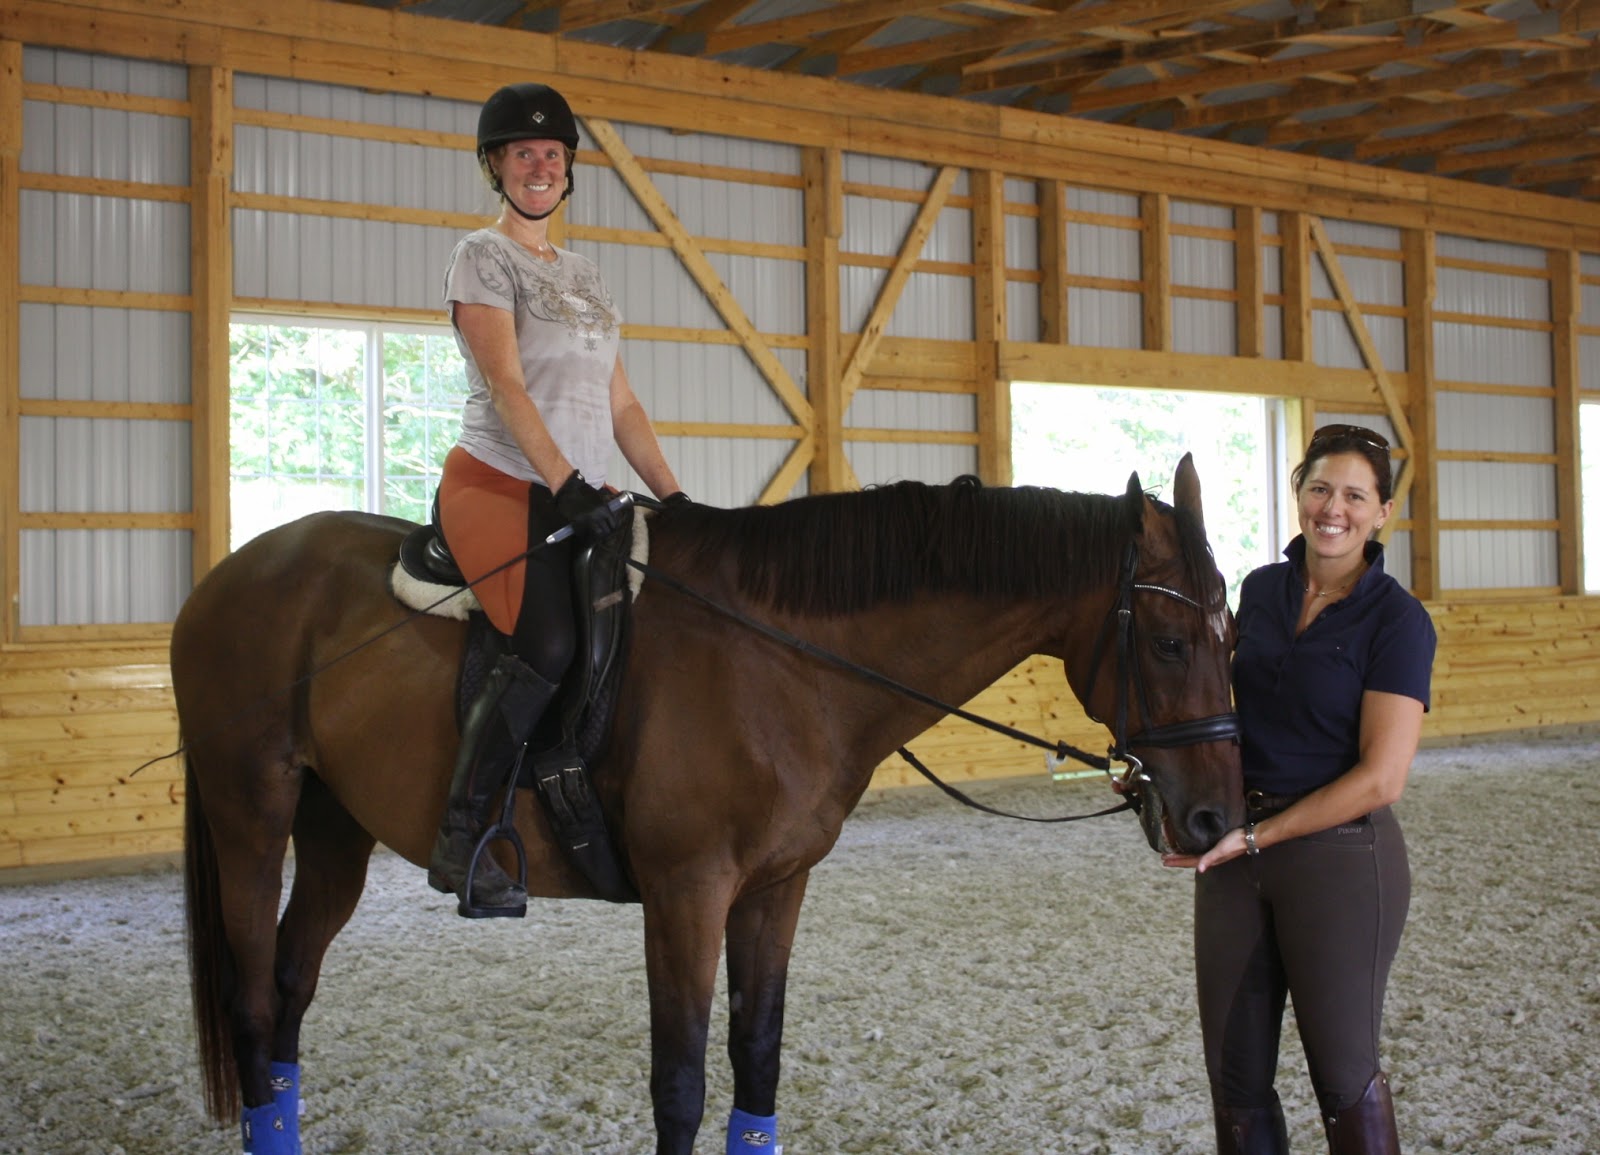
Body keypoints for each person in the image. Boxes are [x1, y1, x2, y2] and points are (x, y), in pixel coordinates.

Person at [429, 81, 685, 918]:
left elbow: (622, 407)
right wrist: (566, 484)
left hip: (583, 491)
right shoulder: (482, 256)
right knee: (545, 637)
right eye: (523, 153)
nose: (539, 166)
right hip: (501, 480)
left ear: (567, 171)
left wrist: (676, 498)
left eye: (552, 155)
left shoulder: (585, 276)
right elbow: (506, 385)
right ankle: (463, 833)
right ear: (497, 166)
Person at [1163, 425, 1436, 1154]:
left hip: (1341, 859)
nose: (1332, 508)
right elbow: (1223, 712)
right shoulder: (1261, 589)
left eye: (1354, 494)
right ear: (1298, 493)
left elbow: (1383, 775)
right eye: (1320, 489)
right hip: (1235, 857)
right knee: (1236, 1079)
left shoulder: (1398, 620)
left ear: (1381, 511)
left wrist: (1260, 837)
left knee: (1341, 1076)